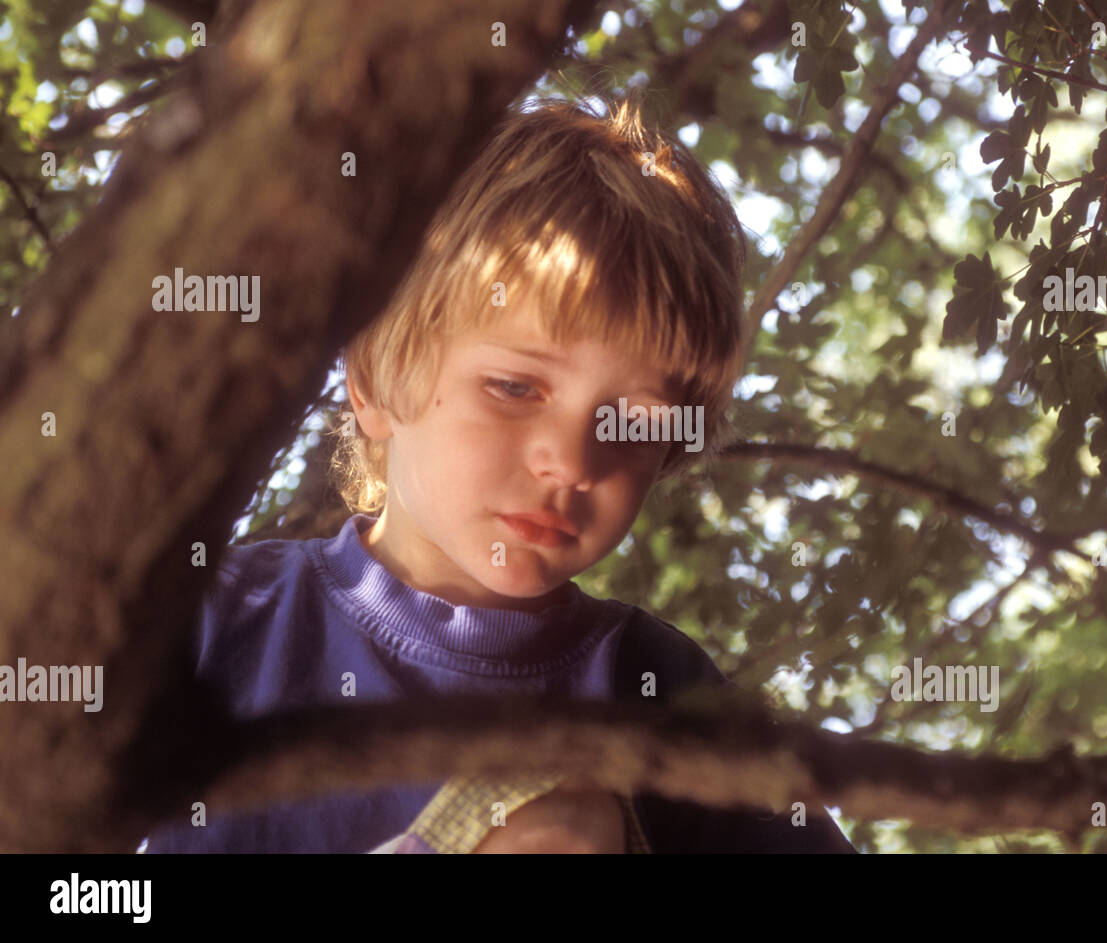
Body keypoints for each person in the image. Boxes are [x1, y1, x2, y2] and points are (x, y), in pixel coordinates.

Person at [142, 94, 856, 854]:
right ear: (376, 381)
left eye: (635, 422)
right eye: (514, 387)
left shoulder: (665, 689)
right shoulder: (212, 624)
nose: (572, 461)